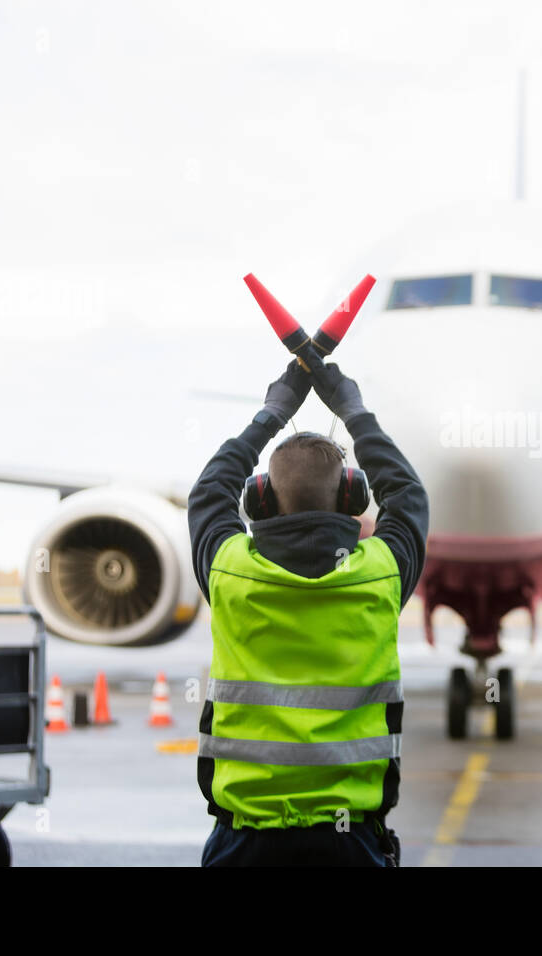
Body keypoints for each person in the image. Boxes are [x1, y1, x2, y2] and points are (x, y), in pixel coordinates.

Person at [187, 354, 428, 866]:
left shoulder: (229, 572)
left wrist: (272, 412)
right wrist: (353, 410)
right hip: (350, 842)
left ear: (260, 500)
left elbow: (209, 491)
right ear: (352, 497)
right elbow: (408, 495)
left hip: (244, 844)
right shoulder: (381, 574)